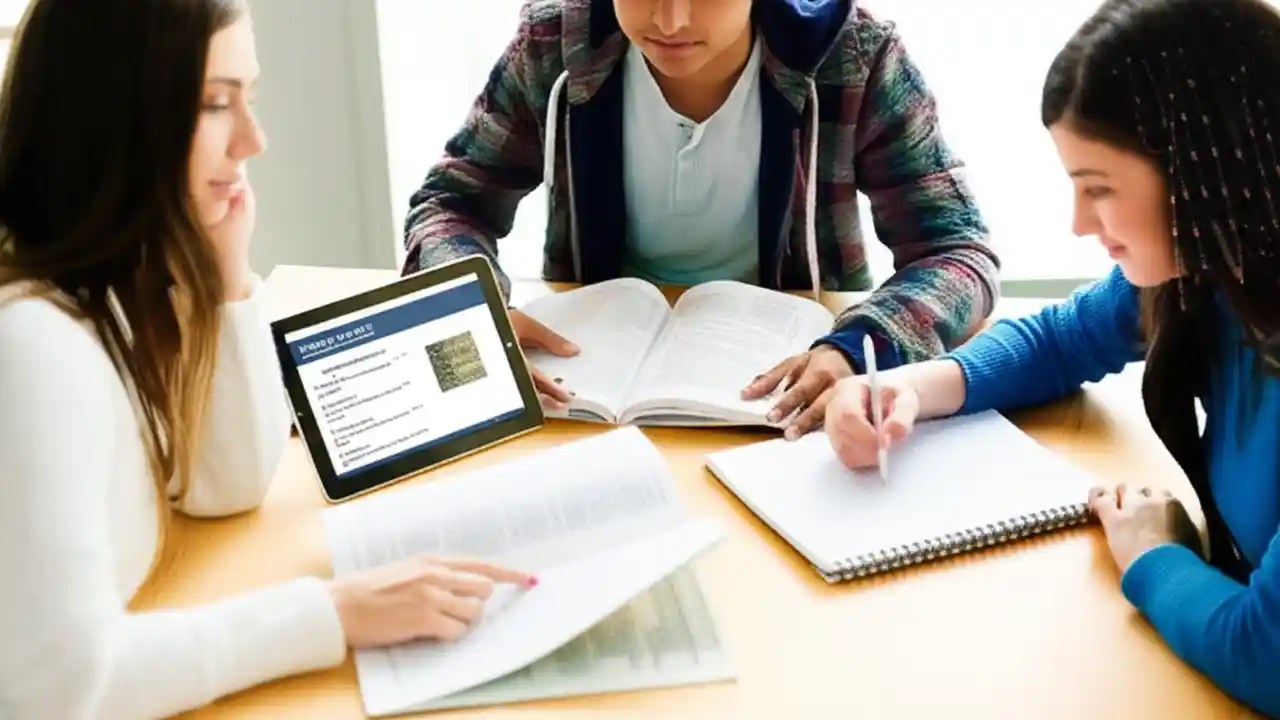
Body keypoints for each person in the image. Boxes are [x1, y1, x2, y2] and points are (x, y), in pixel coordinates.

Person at [0, 1, 532, 717]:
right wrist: (333, 613)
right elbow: (64, 688)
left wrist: (225, 281)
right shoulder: (35, 345)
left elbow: (224, 485)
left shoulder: (118, 294)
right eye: (218, 104)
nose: (255, 139)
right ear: (113, 121)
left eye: (249, 97)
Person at [823, 0, 1280, 714]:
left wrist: (1154, 555)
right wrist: (909, 389)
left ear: (1205, 173)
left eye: (1098, 189)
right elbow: (1062, 337)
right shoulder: (1217, 271)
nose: (1077, 224)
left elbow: (1268, 659)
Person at [402, 0, 1000, 433]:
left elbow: (958, 250)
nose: (671, 20)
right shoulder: (552, 44)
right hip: (591, 390)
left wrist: (860, 343)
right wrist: (470, 304)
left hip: (787, 388)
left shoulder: (852, 54)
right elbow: (451, 204)